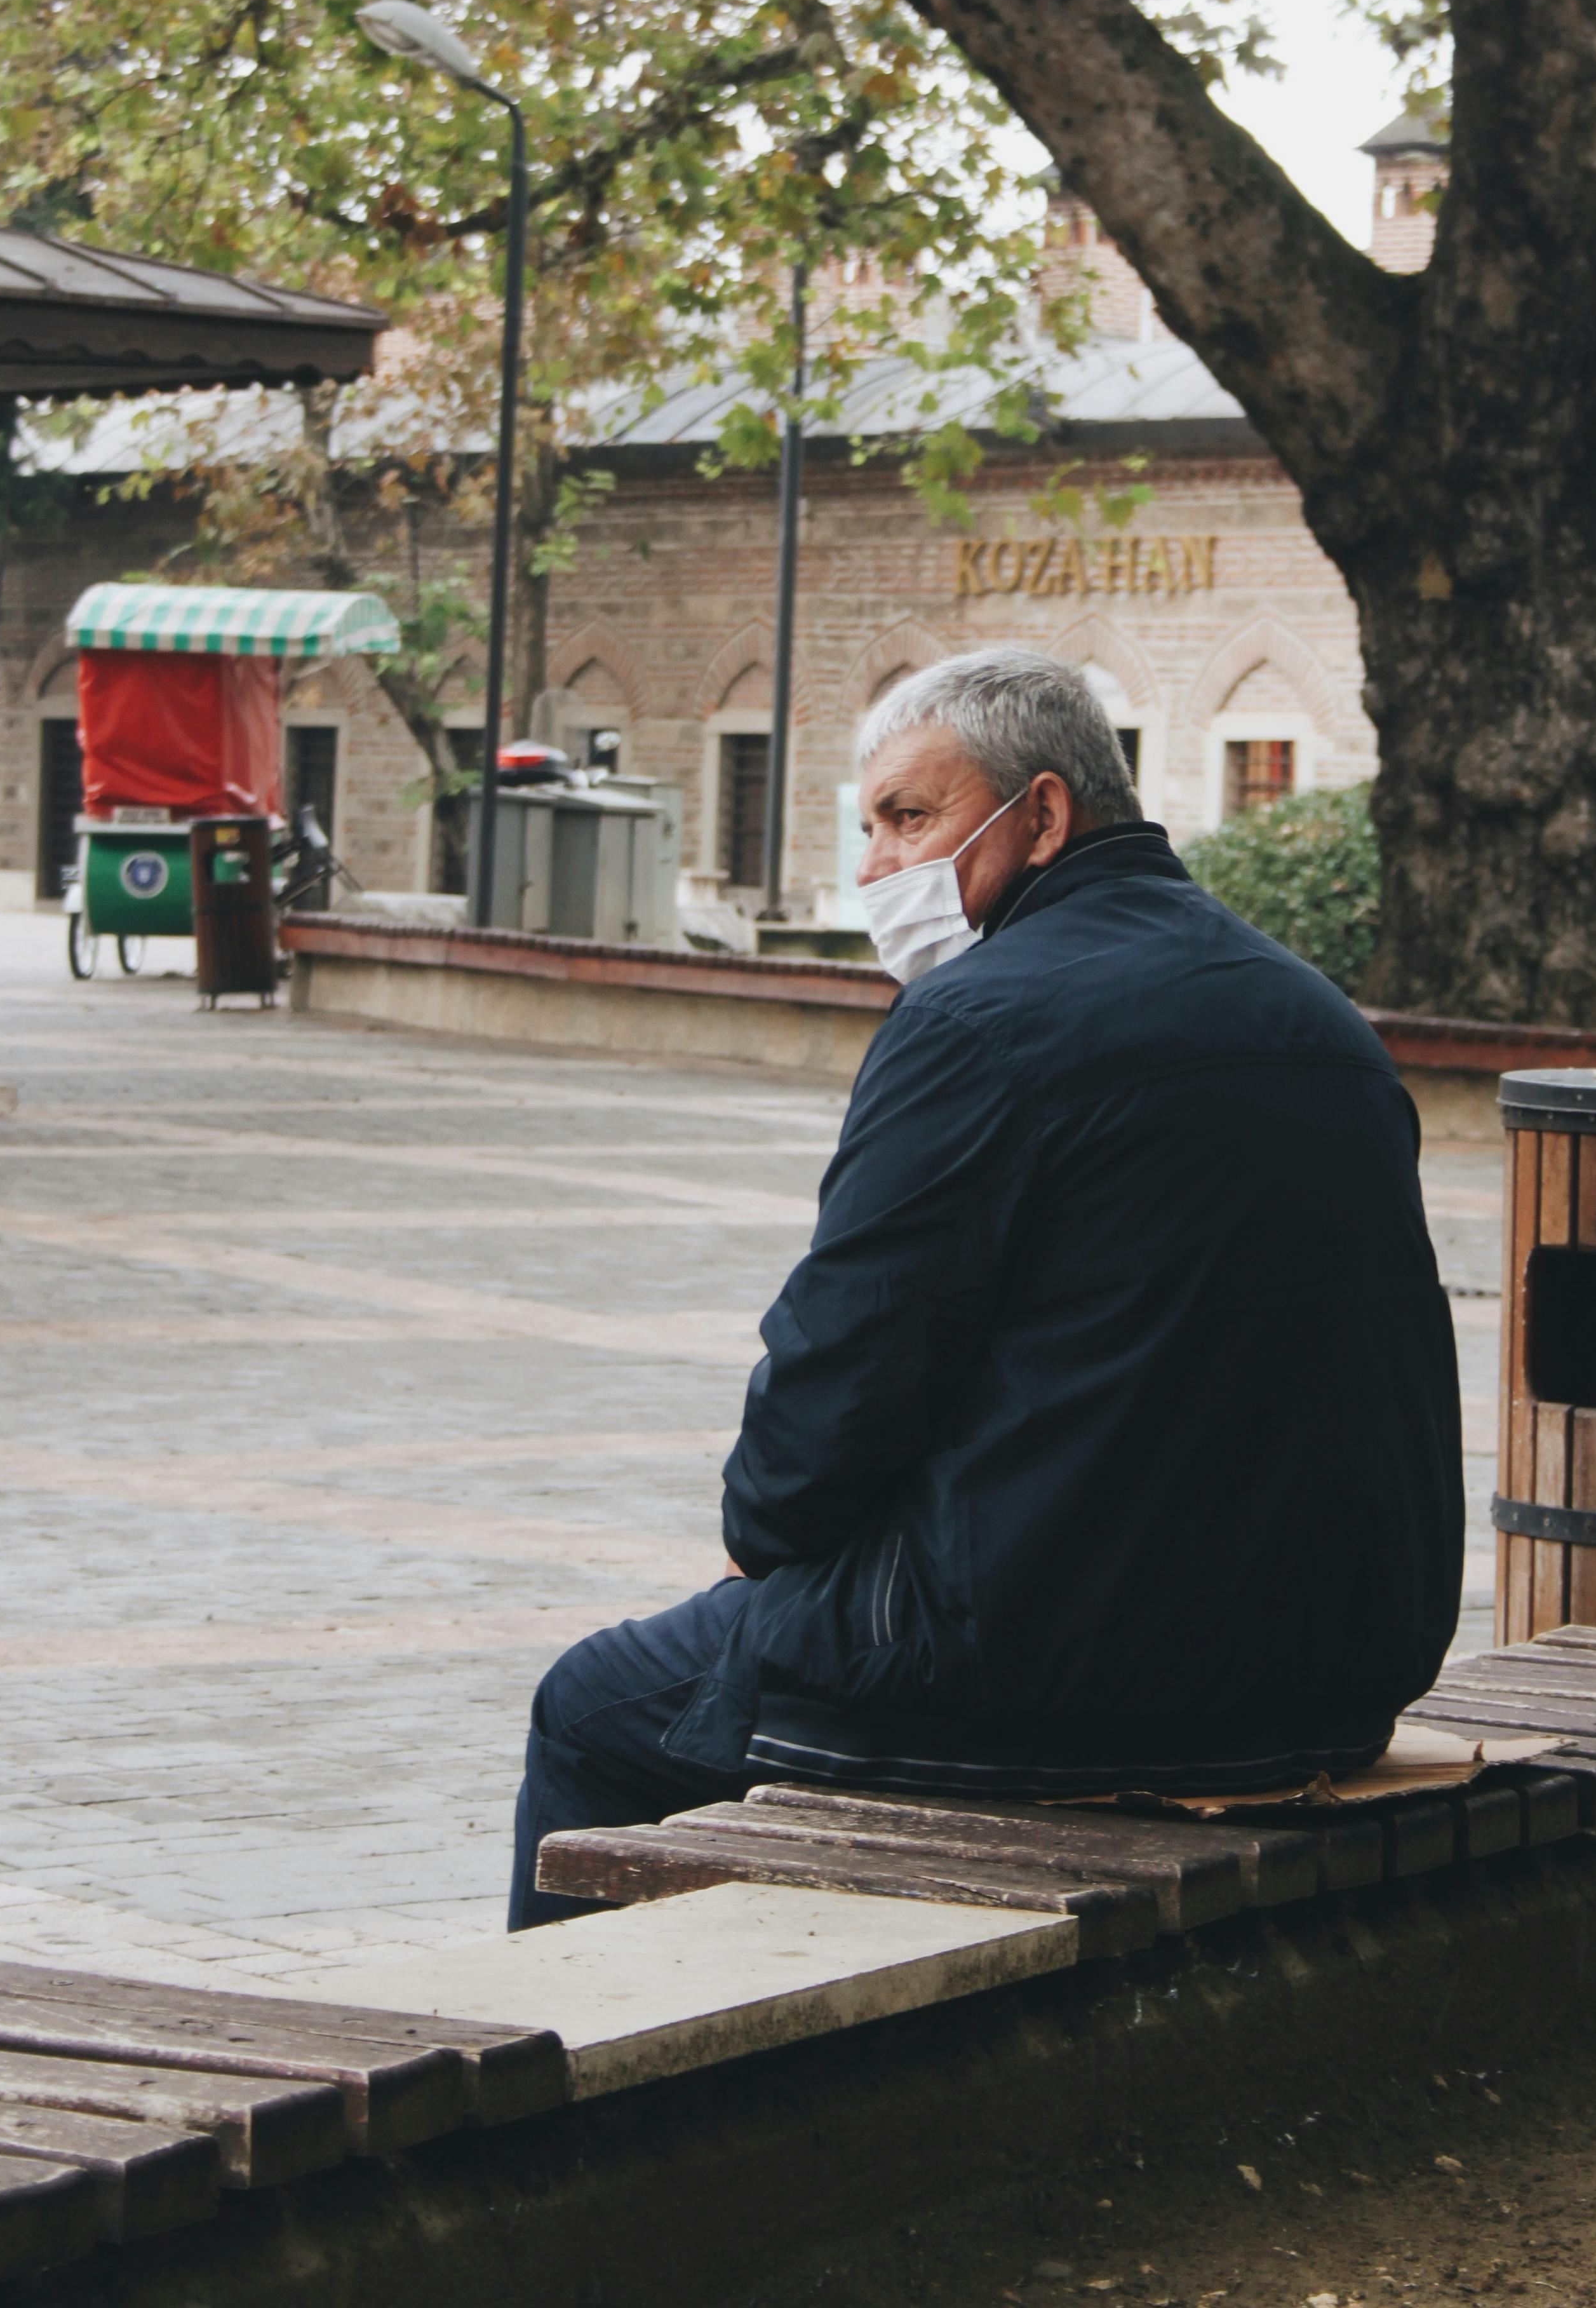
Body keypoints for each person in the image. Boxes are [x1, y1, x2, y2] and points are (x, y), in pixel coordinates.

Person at [510, 645, 1461, 1928]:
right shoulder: (1322, 1019)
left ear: (1047, 813)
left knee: (592, 1705)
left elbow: (833, 1394)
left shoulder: (973, 1022)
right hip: (1341, 1668)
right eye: (868, 829)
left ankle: (568, 2114)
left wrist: (768, 1552)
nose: (878, 870)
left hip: (1050, 1672)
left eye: (912, 817)